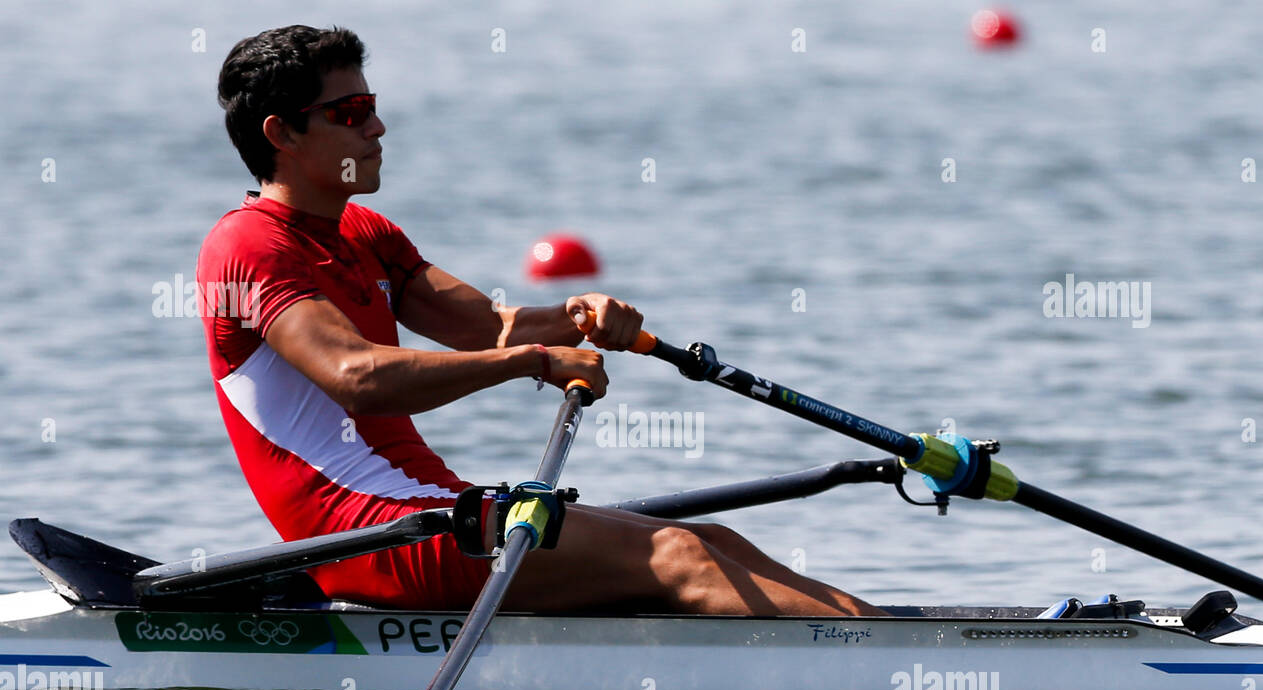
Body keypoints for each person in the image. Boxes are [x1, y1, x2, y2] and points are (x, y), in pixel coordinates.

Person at [198, 24, 884, 618]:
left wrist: (576, 318)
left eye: (372, 107)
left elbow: (486, 327)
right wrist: (535, 363)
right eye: (350, 112)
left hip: (437, 510)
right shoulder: (249, 247)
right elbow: (359, 378)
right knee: (675, 554)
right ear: (282, 133)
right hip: (371, 540)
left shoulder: (365, 231)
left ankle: (883, 638)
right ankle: (883, 671)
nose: (376, 128)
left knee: (715, 543)